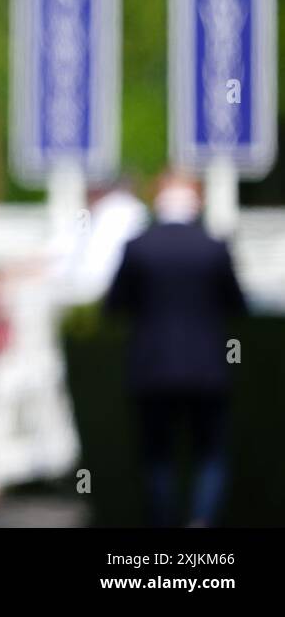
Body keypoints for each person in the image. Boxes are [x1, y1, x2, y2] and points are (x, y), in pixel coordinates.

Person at [104, 171, 247, 527]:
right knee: (211, 453)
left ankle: (163, 521)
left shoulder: (138, 247)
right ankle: (201, 520)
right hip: (207, 367)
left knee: (157, 455)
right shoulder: (214, 247)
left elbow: (115, 305)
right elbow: (237, 304)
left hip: (151, 367)